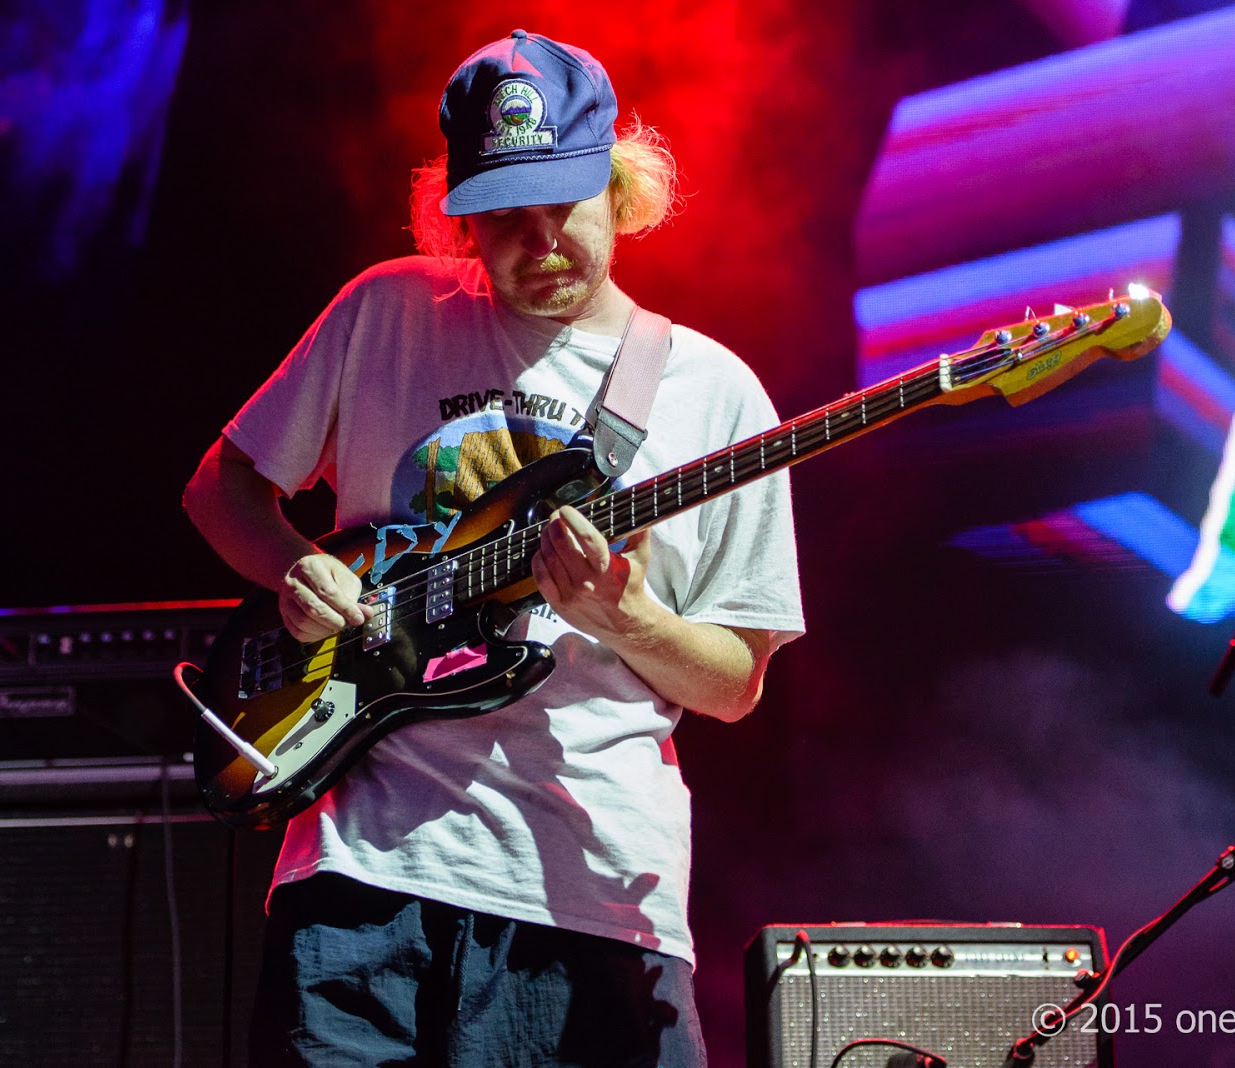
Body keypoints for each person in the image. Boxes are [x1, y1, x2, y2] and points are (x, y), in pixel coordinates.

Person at [183, 29, 804, 1067]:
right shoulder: (386, 309)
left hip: (596, 887)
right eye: (502, 217)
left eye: (564, 203)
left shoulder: (716, 391)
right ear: (457, 214)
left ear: (623, 188)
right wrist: (295, 564)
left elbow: (735, 683)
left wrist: (627, 619)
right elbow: (223, 486)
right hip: (358, 869)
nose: (539, 238)